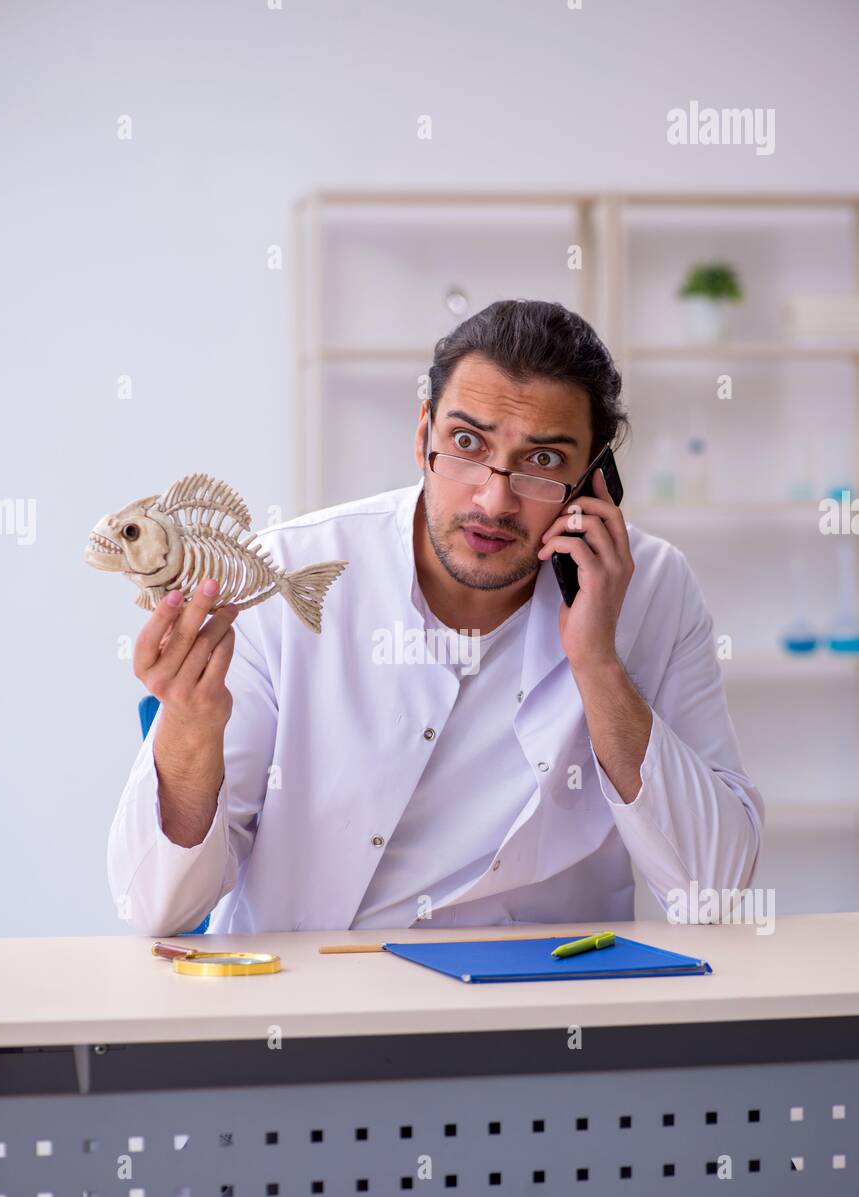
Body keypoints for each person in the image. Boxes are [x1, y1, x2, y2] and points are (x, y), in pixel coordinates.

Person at [107, 299, 763, 936]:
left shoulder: (653, 589)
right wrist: (190, 728)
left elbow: (715, 891)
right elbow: (157, 908)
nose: (494, 498)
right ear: (422, 436)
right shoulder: (283, 574)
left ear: (595, 479)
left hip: (546, 1011)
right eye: (466, 443)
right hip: (310, 1010)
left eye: (542, 460)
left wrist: (596, 664)